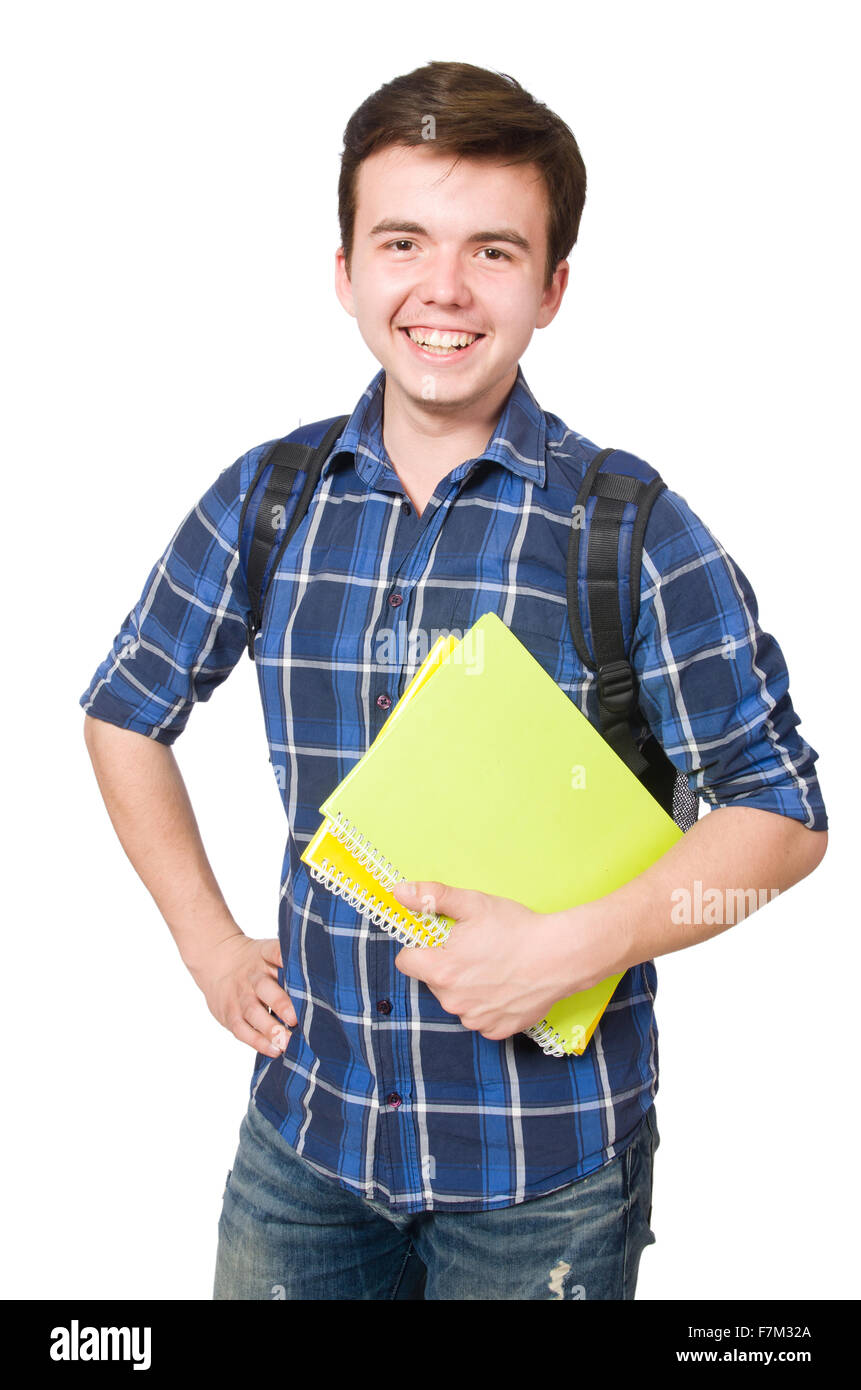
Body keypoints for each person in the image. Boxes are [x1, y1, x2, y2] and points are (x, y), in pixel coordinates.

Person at [80, 60, 828, 1301]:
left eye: (492, 250)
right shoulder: (271, 501)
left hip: (550, 1169)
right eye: (402, 241)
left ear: (552, 287)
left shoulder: (630, 530)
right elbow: (123, 709)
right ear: (345, 272)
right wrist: (209, 945)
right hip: (306, 1142)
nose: (441, 288)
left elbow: (786, 818)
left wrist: (572, 946)